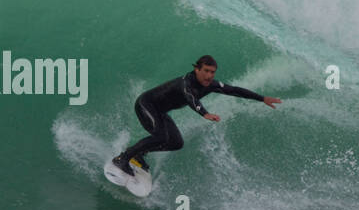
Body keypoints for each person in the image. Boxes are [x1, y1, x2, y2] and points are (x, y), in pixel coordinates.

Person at [111, 55, 281, 176]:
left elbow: (234, 90)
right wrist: (204, 113)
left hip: (160, 111)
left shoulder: (210, 84)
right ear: (197, 69)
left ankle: (139, 153)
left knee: (176, 143)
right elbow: (190, 98)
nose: (209, 76)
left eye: (212, 72)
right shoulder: (186, 83)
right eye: (206, 71)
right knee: (161, 136)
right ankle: (123, 158)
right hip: (146, 105)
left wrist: (262, 98)